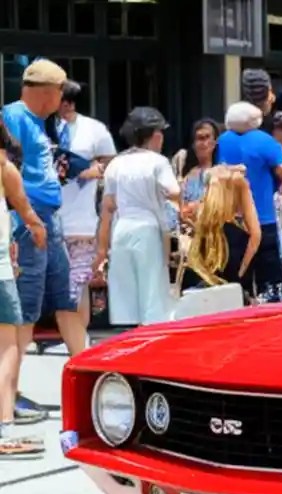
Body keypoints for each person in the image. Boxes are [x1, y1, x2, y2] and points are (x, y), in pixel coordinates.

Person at [3, 59, 74, 426]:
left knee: (64, 297)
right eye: (61, 92)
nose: (62, 100)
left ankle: (85, 372)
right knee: (25, 308)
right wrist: (24, 220)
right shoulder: (14, 117)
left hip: (45, 220)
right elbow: (7, 175)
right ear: (49, 92)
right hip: (31, 223)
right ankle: (8, 393)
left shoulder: (35, 122)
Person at [94, 107, 181, 326]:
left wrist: (102, 249)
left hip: (121, 229)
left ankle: (128, 338)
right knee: (152, 291)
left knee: (125, 293)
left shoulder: (116, 163)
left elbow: (107, 206)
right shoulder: (158, 162)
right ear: (156, 135)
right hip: (148, 228)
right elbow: (173, 192)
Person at [55, 79, 116, 342]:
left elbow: (110, 162)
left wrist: (95, 171)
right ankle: (72, 341)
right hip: (50, 219)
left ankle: (81, 342)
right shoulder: (41, 128)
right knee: (58, 289)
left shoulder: (93, 129)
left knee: (79, 286)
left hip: (81, 221)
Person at [216, 89, 282, 303]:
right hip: (262, 217)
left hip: (231, 219)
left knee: (237, 275)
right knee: (270, 278)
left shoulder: (222, 141)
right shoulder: (265, 141)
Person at [1, 121, 47, 457]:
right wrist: (36, 226)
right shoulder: (4, 167)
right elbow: (25, 209)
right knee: (7, 347)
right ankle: (4, 430)